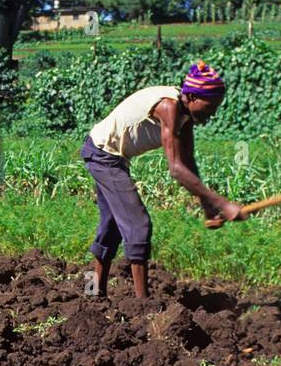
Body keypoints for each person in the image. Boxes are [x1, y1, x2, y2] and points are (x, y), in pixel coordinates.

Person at [80, 61, 243, 299]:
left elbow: (188, 164)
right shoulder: (169, 106)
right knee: (139, 225)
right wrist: (223, 203)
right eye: (210, 107)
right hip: (104, 155)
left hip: (108, 155)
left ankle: (93, 293)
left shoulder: (185, 118)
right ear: (192, 97)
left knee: (111, 226)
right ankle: (142, 304)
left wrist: (208, 206)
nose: (212, 113)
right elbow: (176, 169)